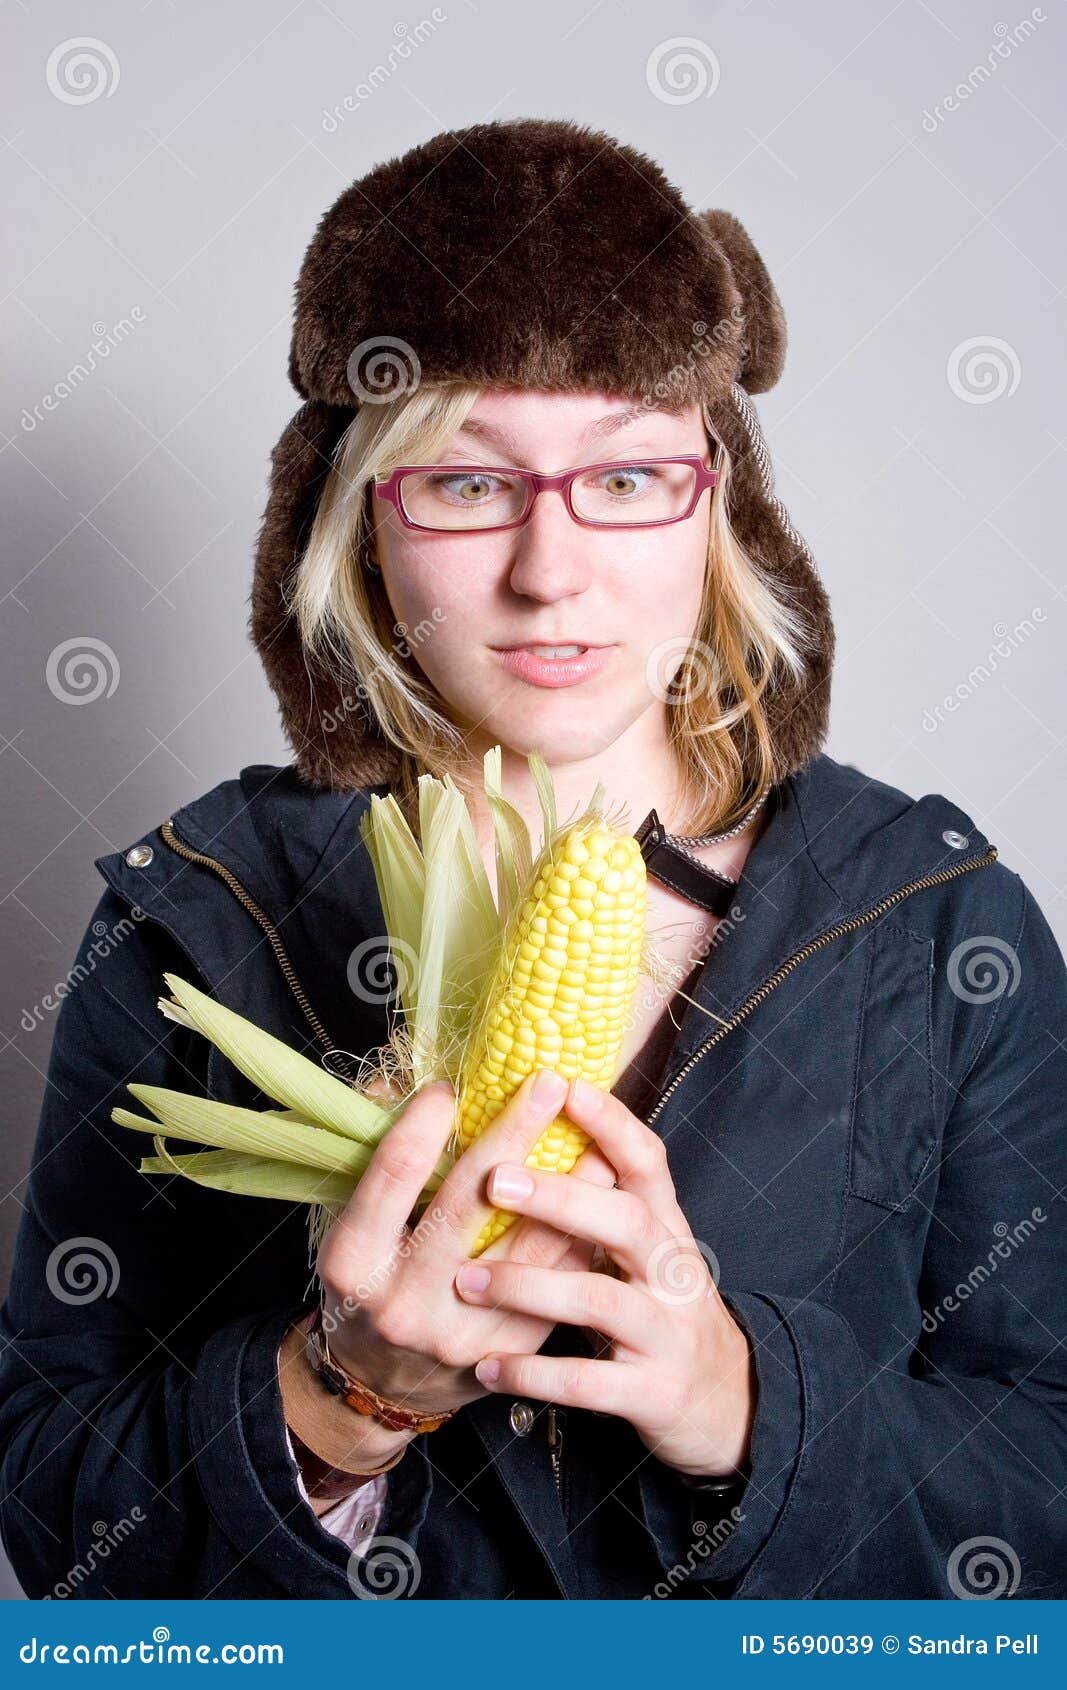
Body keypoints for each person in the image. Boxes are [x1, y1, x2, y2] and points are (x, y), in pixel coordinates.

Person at [1, 118, 1064, 1602]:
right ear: (360, 522)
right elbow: (56, 1503)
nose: (548, 569)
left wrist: (752, 1410)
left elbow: (1046, 1476)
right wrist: (341, 1402)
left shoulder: (946, 926)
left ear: (719, 508)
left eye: (626, 479)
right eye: (464, 478)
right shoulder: (195, 912)